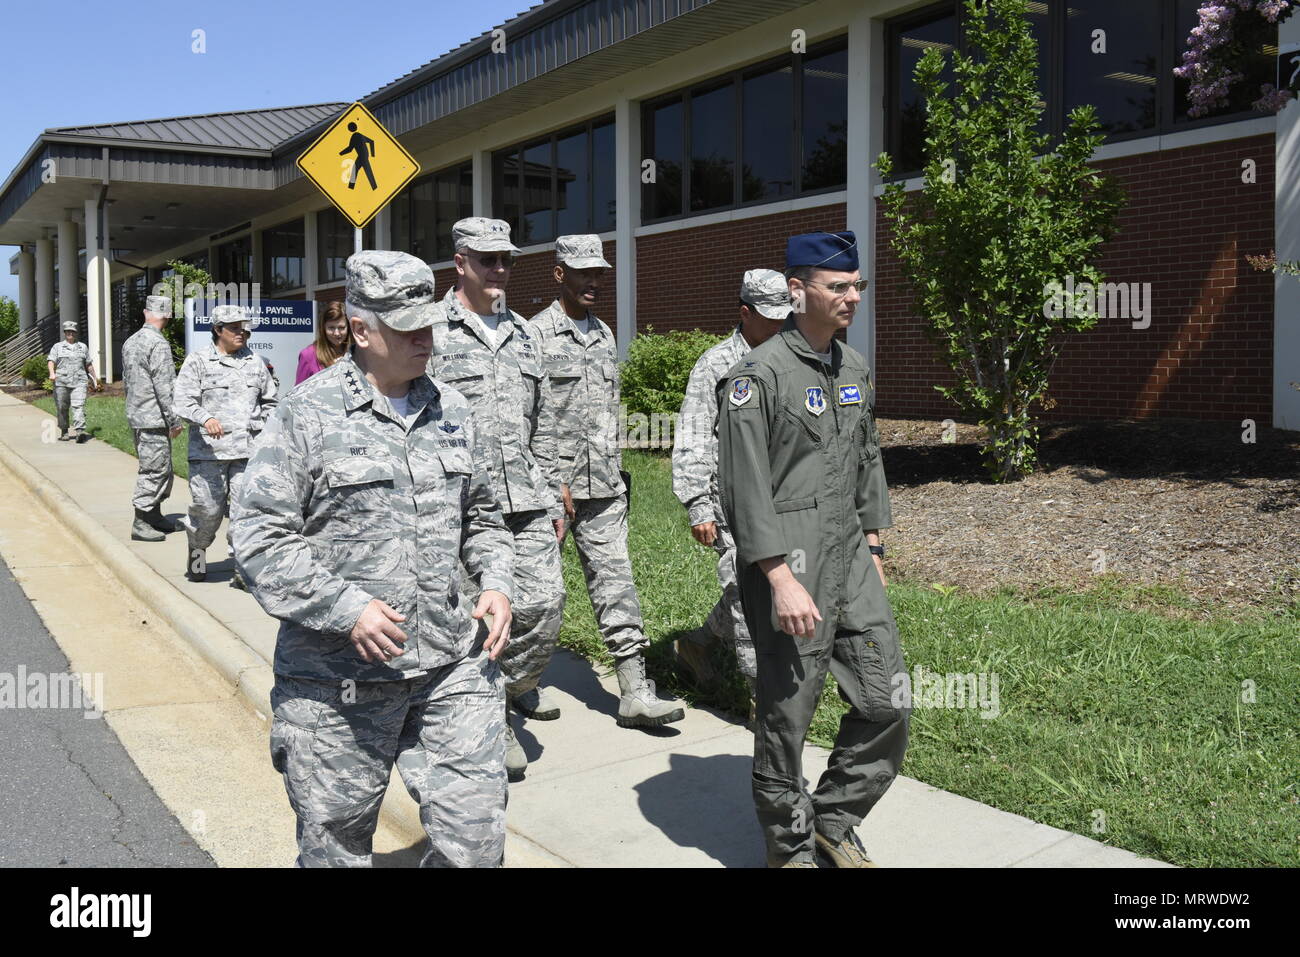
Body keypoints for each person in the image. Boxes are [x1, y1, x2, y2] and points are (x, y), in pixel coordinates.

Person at [231, 250, 515, 868]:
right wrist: (346, 608)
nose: (426, 338)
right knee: (335, 846)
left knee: (476, 843)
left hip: (449, 666)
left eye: (429, 322)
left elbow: (486, 516)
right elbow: (258, 536)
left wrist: (495, 579)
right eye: (407, 326)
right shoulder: (306, 413)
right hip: (339, 681)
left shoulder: (455, 412)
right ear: (362, 329)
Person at [716, 231, 909, 869]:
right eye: (838, 287)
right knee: (787, 715)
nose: (853, 297)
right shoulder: (757, 378)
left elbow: (867, 462)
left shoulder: (852, 369)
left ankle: (834, 815)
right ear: (798, 293)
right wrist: (780, 579)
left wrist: (875, 545)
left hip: (851, 557)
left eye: (858, 286)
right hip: (789, 565)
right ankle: (789, 846)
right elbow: (745, 491)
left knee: (887, 698)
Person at [424, 217, 566, 783]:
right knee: (477, 618)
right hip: (460, 504)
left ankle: (505, 691)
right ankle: (491, 718)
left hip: (526, 496)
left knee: (544, 606)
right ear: (460, 262)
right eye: (489, 260)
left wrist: (555, 492)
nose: (500, 269)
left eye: (507, 259)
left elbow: (545, 422)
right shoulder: (431, 329)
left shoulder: (526, 334)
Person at [529, 234, 686, 736]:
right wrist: (551, 484)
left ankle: (635, 691)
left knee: (618, 587)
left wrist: (616, 474)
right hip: (552, 495)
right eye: (582, 272)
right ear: (559, 275)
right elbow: (528, 419)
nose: (593, 280)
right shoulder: (534, 337)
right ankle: (517, 682)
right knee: (540, 600)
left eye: (598, 272)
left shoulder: (603, 335)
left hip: (603, 489)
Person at [671, 269, 790, 699]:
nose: (779, 324)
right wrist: (698, 504)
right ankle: (764, 699)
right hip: (731, 497)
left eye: (785, 314)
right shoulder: (717, 365)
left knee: (780, 579)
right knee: (744, 588)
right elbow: (693, 434)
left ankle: (697, 644)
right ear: (745, 312)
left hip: (783, 495)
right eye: (769, 316)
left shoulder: (793, 355)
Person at [174, 304, 277, 588]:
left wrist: (266, 429)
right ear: (218, 330)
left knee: (246, 513)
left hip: (248, 452)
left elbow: (270, 401)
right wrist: (205, 418)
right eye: (234, 328)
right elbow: (182, 401)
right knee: (207, 512)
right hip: (209, 453)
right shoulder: (198, 361)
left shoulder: (255, 361)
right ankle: (197, 550)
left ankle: (241, 569)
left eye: (244, 327)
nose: (242, 333)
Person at [121, 295, 184, 541]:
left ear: (147, 313)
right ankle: (141, 521)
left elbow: (127, 381)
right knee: (155, 470)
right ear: (167, 316)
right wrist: (175, 420)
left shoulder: (131, 341)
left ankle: (154, 516)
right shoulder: (158, 344)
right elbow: (165, 386)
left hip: (138, 414)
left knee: (161, 468)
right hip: (154, 417)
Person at [46, 321, 99, 442]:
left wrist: (95, 378)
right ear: (65, 333)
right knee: (62, 407)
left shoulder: (83, 347)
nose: (70, 333)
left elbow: (88, 364)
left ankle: (79, 431)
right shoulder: (57, 347)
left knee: (78, 405)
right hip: (61, 382)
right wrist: (52, 373)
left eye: (73, 331)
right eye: (68, 331)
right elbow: (51, 361)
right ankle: (64, 431)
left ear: (75, 333)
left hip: (79, 381)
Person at [296, 300, 351, 384]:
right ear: (323, 328)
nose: (337, 333)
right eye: (331, 328)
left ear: (349, 327)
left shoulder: (356, 353)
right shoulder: (308, 355)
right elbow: (298, 394)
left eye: (341, 327)